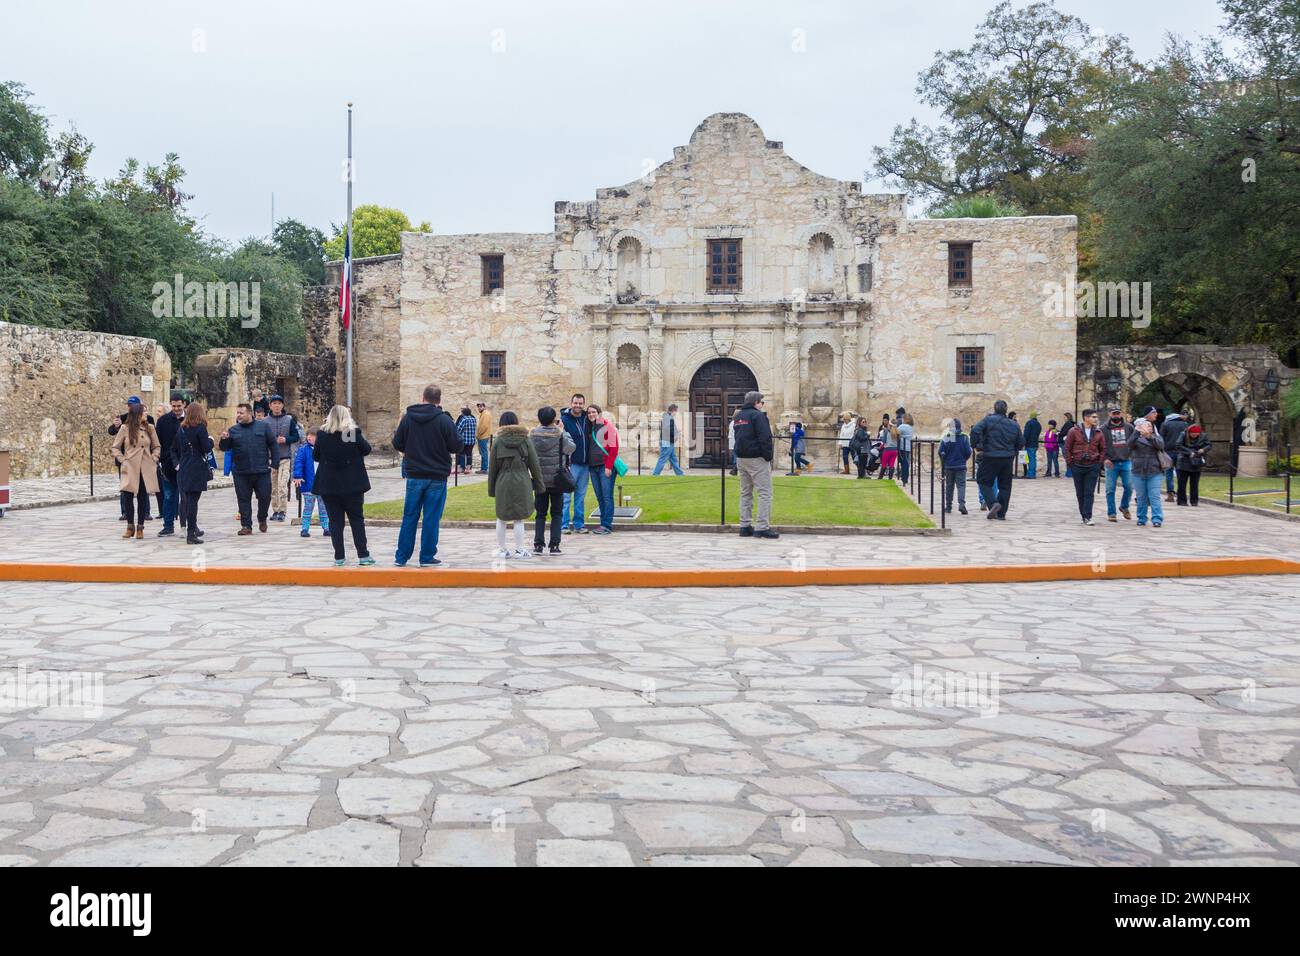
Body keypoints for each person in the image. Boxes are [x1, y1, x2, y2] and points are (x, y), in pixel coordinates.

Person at [391, 385, 459, 568]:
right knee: (431, 517)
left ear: (423, 398)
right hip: (437, 476)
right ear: (439, 400)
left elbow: (397, 442)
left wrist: (411, 449)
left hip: (414, 474)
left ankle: (402, 556)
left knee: (410, 516)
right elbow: (456, 445)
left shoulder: (408, 419)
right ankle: (427, 556)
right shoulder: (444, 420)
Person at [314, 405, 375, 566]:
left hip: (330, 484)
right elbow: (366, 449)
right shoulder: (350, 433)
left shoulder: (323, 434)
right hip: (351, 484)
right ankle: (363, 555)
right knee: (356, 519)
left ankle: (339, 556)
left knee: (335, 521)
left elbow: (317, 456)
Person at [488, 411, 546, 558]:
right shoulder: (525, 440)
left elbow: (492, 468)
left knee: (501, 517)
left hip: (503, 482)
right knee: (519, 518)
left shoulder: (497, 442)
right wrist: (540, 485)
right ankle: (520, 550)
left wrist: (491, 489)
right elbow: (534, 464)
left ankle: (502, 549)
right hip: (522, 481)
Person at [218, 404, 275, 535]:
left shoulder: (263, 427)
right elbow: (225, 448)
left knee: (265, 497)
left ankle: (262, 518)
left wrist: (275, 463)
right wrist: (224, 439)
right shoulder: (233, 430)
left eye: (241, 413)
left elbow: (273, 444)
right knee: (243, 498)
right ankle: (246, 525)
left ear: (250, 413)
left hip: (261, 470)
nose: (238, 415)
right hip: (241, 471)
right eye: (237, 413)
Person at [530, 406, 576, 554]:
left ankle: (538, 544)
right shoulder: (560, 434)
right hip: (557, 479)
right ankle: (554, 545)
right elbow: (571, 448)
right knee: (557, 513)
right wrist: (564, 431)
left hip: (540, 479)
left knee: (540, 513)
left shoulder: (533, 434)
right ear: (553, 419)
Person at [111, 402, 161, 540]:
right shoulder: (125, 428)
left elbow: (157, 446)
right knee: (127, 496)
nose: (146, 414)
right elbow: (115, 447)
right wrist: (123, 460)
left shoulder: (150, 428)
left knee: (142, 497)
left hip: (145, 466)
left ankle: (140, 526)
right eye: (143, 412)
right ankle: (130, 526)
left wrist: (154, 458)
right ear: (137, 414)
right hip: (130, 466)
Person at [733, 390, 778, 538]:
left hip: (741, 458)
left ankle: (744, 526)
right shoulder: (758, 416)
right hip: (756, 458)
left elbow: (737, 437)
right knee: (764, 492)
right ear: (756, 403)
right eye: (762, 402)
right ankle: (762, 527)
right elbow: (765, 437)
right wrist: (768, 456)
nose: (762, 405)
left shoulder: (739, 416)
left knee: (745, 493)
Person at [970, 399, 1023, 520]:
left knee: (983, 481)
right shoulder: (1014, 424)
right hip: (1007, 458)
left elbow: (975, 430)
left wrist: (976, 446)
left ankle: (994, 504)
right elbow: (1020, 442)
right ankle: (1001, 513)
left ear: (995, 409)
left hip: (991, 456)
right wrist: (1013, 451)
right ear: (1006, 410)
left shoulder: (988, 420)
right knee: (1005, 486)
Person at [174, 402, 213, 545]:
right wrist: (211, 440)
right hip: (197, 468)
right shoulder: (201, 429)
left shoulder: (182, 429)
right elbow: (206, 447)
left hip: (185, 466)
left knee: (189, 500)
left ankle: (192, 529)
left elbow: (177, 447)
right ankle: (191, 533)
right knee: (193, 502)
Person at [264, 394, 302, 523]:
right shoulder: (264, 421)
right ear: (270, 405)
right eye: (274, 403)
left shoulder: (289, 420)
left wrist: (286, 439)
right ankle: (275, 510)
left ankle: (282, 511)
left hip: (285, 457)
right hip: (270, 459)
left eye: (279, 403)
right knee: (273, 487)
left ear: (282, 405)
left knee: (282, 485)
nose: (276, 405)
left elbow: (296, 436)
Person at [1064, 408, 1106, 525]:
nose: (1096, 419)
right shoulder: (1074, 431)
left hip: (1092, 465)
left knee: (1089, 492)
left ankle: (1088, 516)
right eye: (1093, 417)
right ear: (1086, 418)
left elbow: (1103, 448)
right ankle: (1083, 514)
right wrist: (1070, 463)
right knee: (1080, 492)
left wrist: (1099, 463)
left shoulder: (1098, 432)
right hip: (1077, 465)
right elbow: (1067, 447)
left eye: (1096, 417)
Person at [153, 392, 186, 536]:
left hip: (186, 463)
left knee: (186, 497)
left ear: (184, 404)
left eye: (179, 406)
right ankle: (168, 525)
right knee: (168, 495)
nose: (177, 408)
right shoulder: (163, 421)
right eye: (174, 406)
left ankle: (187, 526)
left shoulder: (190, 420)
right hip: (168, 465)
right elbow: (157, 442)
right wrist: (161, 460)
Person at [586, 404, 619, 535]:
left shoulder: (607, 426)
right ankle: (602, 523)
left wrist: (609, 467)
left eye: (593, 412)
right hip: (593, 467)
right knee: (600, 497)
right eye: (589, 413)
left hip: (604, 467)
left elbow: (614, 448)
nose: (591, 414)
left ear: (599, 413)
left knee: (607, 496)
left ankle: (607, 525)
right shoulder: (590, 427)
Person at [560, 394, 591, 533]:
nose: (578, 406)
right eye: (575, 403)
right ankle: (564, 524)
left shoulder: (587, 418)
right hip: (571, 464)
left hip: (585, 464)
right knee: (566, 496)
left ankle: (579, 524)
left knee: (580, 496)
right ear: (571, 403)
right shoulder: (564, 420)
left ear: (583, 404)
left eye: (580, 403)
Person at [293, 427, 329, 538]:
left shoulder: (325, 450)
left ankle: (326, 528)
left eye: (313, 435)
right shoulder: (303, 450)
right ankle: (305, 528)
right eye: (308, 435)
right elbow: (298, 463)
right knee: (308, 507)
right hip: (308, 484)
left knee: (324, 508)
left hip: (322, 485)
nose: (309, 437)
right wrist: (298, 476)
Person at [1131, 418, 1167, 528]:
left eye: (1150, 426)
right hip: (1138, 470)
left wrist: (1149, 436)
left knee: (1154, 496)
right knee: (1141, 496)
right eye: (1145, 426)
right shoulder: (1136, 438)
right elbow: (1129, 444)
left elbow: (1161, 446)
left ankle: (1157, 518)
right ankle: (1141, 518)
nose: (1148, 428)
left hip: (1154, 470)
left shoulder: (1156, 437)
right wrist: (1136, 432)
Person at [1102, 406, 1136, 522]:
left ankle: (1124, 506)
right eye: (1114, 413)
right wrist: (1105, 459)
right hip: (1111, 462)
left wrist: (1132, 455)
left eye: (1118, 413)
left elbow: (1134, 442)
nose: (1116, 415)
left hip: (1126, 461)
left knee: (1129, 487)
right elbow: (1100, 446)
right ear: (1110, 415)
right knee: (1110, 489)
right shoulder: (1103, 429)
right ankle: (1111, 513)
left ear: (1121, 414)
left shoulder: (1129, 427)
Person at [938, 418, 972, 514]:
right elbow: (968, 452)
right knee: (961, 486)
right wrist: (964, 459)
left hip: (949, 466)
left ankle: (948, 506)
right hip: (961, 465)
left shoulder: (946, 437)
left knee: (949, 486)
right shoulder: (964, 437)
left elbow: (940, 452)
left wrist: (944, 462)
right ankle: (961, 504)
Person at [1174, 424, 1210, 507]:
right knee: (1182, 483)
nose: (1194, 436)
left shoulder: (1203, 436)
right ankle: (1182, 501)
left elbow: (1209, 445)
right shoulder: (1183, 434)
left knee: (1194, 483)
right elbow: (1178, 445)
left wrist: (1203, 449)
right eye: (1193, 434)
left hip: (1196, 461)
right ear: (1189, 432)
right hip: (1184, 461)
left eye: (1196, 434)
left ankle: (1194, 501)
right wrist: (1189, 452)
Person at [1160, 410, 1189, 503]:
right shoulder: (1185, 425)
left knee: (1169, 474)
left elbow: (1161, 438)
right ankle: (1181, 494)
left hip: (1168, 451)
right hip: (1181, 451)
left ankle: (1170, 494)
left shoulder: (1165, 425)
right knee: (1181, 473)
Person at [653, 404, 684, 476]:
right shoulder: (668, 417)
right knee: (663, 458)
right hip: (667, 441)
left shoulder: (667, 416)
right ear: (673, 411)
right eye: (676, 411)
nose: (676, 413)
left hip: (668, 441)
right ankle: (655, 474)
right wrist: (675, 433)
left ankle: (679, 474)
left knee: (673, 459)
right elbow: (667, 429)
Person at [455, 406, 477, 475]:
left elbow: (458, 429)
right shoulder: (473, 419)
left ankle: (461, 468)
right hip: (472, 440)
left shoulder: (464, 419)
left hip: (464, 440)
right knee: (469, 454)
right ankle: (468, 469)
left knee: (461, 454)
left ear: (463, 413)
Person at [475, 402, 495, 474]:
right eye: (478, 406)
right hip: (482, 436)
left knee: (484, 453)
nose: (479, 408)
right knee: (483, 452)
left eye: (480, 406)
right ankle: (483, 468)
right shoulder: (483, 414)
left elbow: (483, 426)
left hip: (483, 436)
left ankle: (484, 469)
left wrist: (478, 434)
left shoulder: (485, 414)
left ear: (484, 407)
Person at [877, 415, 898, 480]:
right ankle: (890, 478)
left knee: (884, 464)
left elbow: (884, 441)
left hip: (887, 449)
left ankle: (880, 477)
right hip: (895, 450)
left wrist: (881, 436)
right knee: (891, 464)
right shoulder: (897, 431)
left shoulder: (886, 431)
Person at [896, 414, 915, 485]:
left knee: (904, 463)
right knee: (906, 463)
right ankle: (905, 477)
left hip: (902, 447)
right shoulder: (911, 427)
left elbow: (896, 432)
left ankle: (904, 477)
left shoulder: (902, 426)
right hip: (908, 447)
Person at [1022, 413, 1042, 479]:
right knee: (1033, 458)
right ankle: (1032, 473)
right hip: (1035, 443)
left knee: (1031, 459)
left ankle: (1031, 474)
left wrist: (1023, 442)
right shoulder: (1039, 424)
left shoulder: (1029, 423)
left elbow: (1026, 434)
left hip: (1029, 444)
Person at [1059, 412, 1077, 477]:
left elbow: (1064, 432)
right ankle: (1069, 472)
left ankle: (1069, 473)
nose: (1064, 418)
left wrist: (1058, 433)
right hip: (1065, 442)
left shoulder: (1068, 423)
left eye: (1064, 417)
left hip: (1065, 442)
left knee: (1068, 458)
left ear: (1067, 417)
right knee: (1068, 457)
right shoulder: (1071, 424)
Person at [728, 410, 739, 476]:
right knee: (736, 456)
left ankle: (734, 469)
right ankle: (735, 469)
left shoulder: (732, 422)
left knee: (735, 455)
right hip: (735, 441)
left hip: (733, 441)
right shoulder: (735, 422)